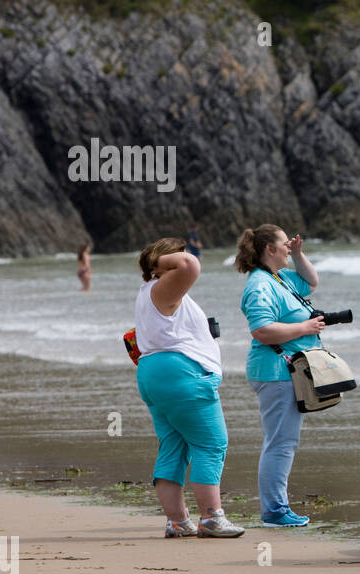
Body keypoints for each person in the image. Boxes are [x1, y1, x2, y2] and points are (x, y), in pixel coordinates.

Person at [134, 238, 243, 539]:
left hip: (154, 373)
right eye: (180, 251)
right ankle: (211, 518)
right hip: (180, 374)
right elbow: (191, 265)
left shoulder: (148, 293)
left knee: (173, 446)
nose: (188, 254)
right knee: (210, 444)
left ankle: (178, 521)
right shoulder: (162, 288)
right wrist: (157, 261)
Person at [237, 224, 327, 527]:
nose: (289, 246)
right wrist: (306, 328)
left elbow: (311, 282)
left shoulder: (279, 278)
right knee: (280, 442)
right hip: (274, 371)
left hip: (284, 370)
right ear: (269, 250)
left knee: (282, 440)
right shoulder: (259, 285)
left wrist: (300, 255)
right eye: (285, 244)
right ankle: (275, 511)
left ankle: (276, 508)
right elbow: (261, 330)